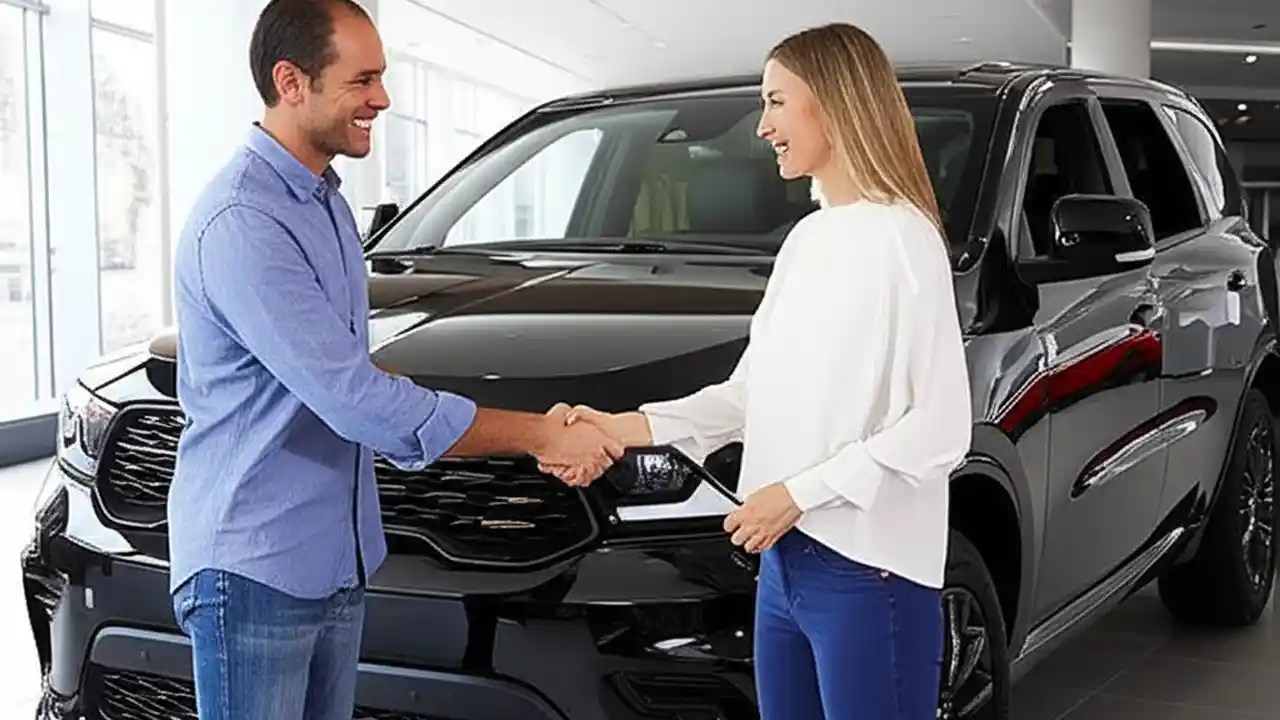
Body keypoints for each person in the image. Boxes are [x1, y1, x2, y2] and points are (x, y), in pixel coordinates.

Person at [168, 1, 622, 718]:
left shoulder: (322, 205)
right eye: (363, 80)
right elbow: (353, 398)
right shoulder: (245, 222)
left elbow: (352, 377)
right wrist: (540, 434)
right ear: (292, 82)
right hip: (255, 570)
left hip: (333, 559)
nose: (382, 98)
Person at [548, 22, 972, 720]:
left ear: (835, 103)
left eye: (777, 101)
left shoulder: (903, 238)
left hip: (869, 572)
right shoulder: (806, 240)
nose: (763, 125)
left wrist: (798, 494)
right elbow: (749, 394)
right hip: (785, 568)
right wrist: (624, 427)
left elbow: (940, 427)